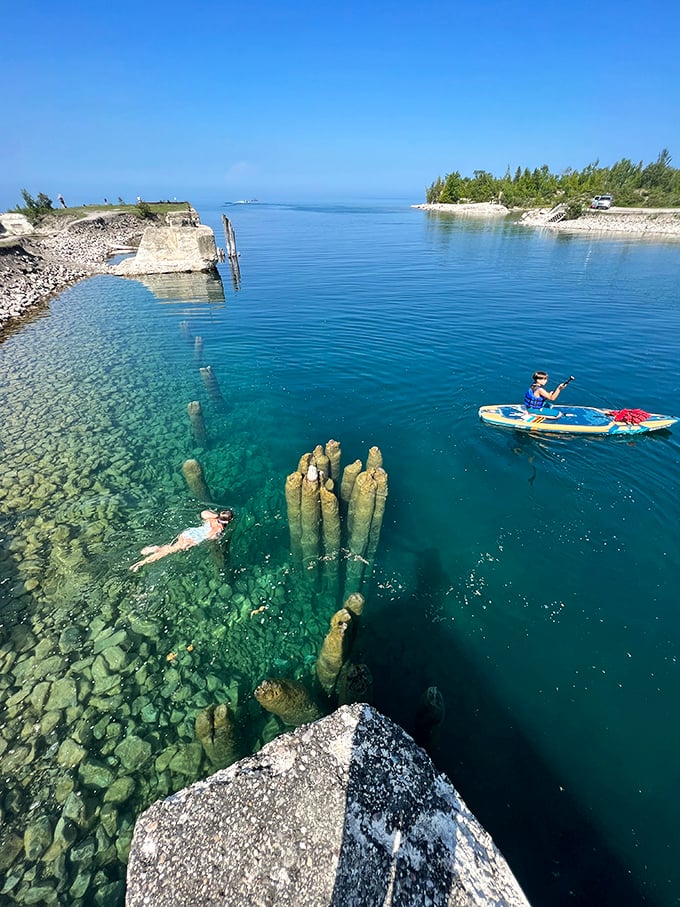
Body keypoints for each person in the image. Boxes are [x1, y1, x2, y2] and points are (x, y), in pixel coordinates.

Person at [130, 509, 234, 571]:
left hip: (188, 533)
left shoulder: (211, 518)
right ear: (229, 521)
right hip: (191, 539)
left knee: (170, 547)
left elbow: (203, 513)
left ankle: (155, 549)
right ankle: (142, 562)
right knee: (167, 552)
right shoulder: (219, 529)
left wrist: (216, 515)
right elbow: (211, 537)